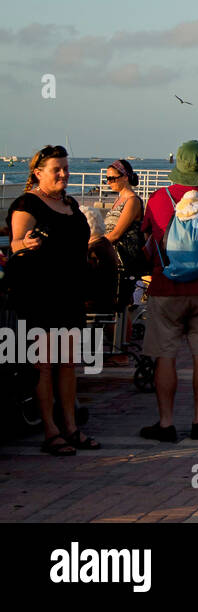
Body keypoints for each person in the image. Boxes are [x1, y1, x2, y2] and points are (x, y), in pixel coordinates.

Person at [4, 146, 98, 455]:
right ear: (37, 173)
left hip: (70, 295)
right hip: (40, 295)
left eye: (66, 168)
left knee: (68, 364)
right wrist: (24, 243)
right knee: (43, 365)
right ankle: (50, 430)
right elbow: (17, 241)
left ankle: (71, 427)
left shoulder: (69, 204)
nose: (63, 174)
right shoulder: (27, 204)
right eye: (56, 169)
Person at [139, 141, 198, 440]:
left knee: (166, 356)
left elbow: (149, 238)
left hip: (166, 287)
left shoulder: (158, 198)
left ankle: (165, 423)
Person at [101, 159, 146, 313]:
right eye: (107, 179)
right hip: (112, 255)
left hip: (124, 258)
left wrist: (94, 243)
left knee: (121, 304)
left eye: (112, 178)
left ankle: (122, 335)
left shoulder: (132, 201)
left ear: (125, 177)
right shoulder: (119, 199)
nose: (109, 182)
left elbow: (117, 233)